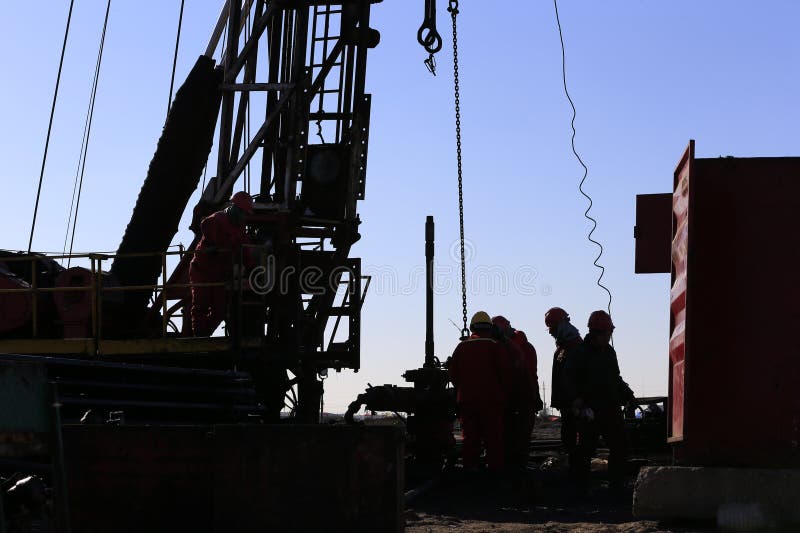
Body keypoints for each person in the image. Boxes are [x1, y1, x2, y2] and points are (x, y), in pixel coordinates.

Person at [565, 310, 634, 484]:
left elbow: (615, 378)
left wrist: (628, 394)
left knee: (620, 446)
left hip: (610, 407)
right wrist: (577, 400)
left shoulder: (609, 352)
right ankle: (580, 488)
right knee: (585, 450)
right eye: (608, 333)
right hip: (590, 410)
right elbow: (569, 380)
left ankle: (616, 486)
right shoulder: (579, 353)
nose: (609, 337)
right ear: (597, 333)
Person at [448, 311, 513, 471]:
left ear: (472, 328)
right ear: (490, 328)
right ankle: (495, 473)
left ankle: (471, 471)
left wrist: (464, 389)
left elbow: (453, 375)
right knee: (494, 438)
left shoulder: (461, 347)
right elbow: (506, 374)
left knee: (470, 438)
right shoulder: (496, 347)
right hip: (492, 402)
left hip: (467, 402)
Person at [189, 191, 254, 337]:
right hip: (202, 271)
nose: (244, 217)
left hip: (219, 274)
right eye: (244, 213)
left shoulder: (240, 228)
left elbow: (245, 250)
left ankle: (204, 335)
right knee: (200, 307)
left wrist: (251, 268)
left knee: (219, 311)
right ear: (235, 209)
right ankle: (199, 338)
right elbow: (204, 224)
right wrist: (214, 245)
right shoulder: (216, 219)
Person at [492, 315, 542, 470]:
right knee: (521, 439)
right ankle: (518, 469)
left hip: (514, 399)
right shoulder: (525, 346)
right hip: (525, 398)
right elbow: (532, 374)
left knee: (509, 437)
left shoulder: (503, 347)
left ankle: (511, 469)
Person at [545, 306, 583, 476]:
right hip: (567, 404)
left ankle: (577, 472)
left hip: (575, 404)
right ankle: (573, 469)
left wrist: (578, 399)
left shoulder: (575, 347)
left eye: (552, 328)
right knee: (568, 438)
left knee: (576, 439)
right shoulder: (563, 348)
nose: (550, 333)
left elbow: (578, 377)